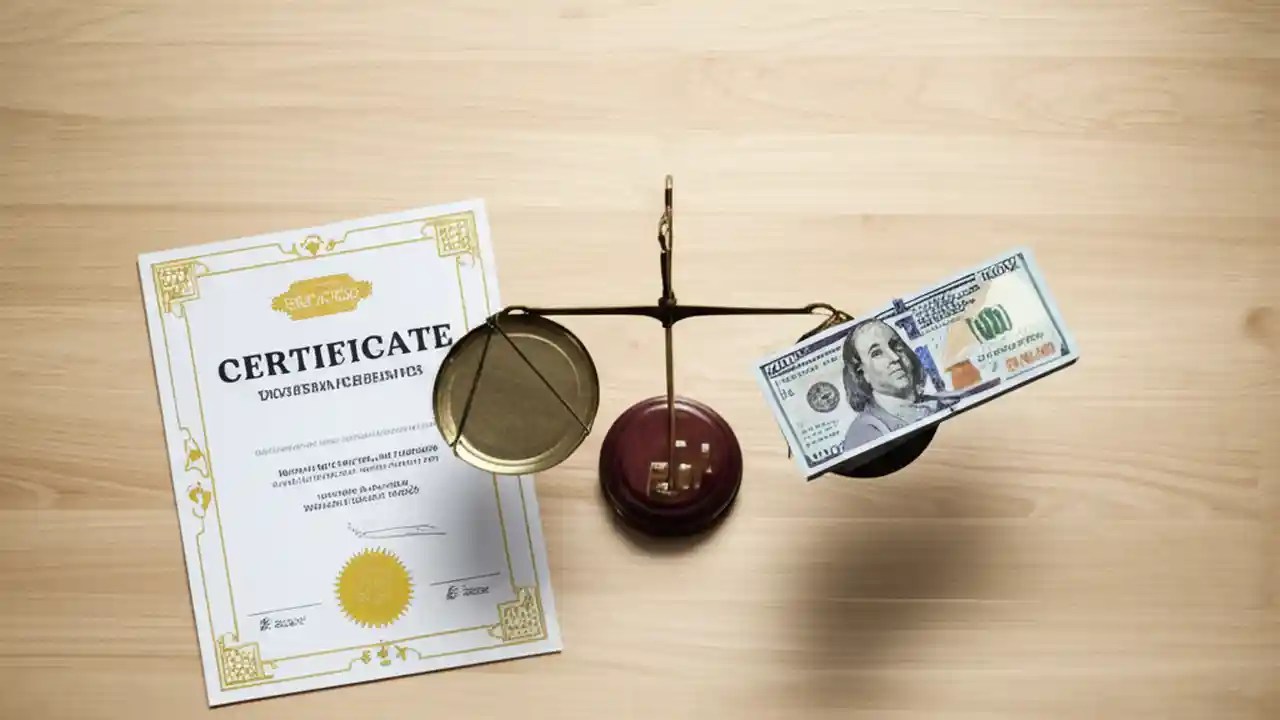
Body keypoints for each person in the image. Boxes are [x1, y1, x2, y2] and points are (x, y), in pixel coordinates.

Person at [840, 319, 942, 449]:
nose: (895, 357)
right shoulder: (865, 432)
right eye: (876, 353)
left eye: (896, 346)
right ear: (861, 373)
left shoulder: (940, 402)